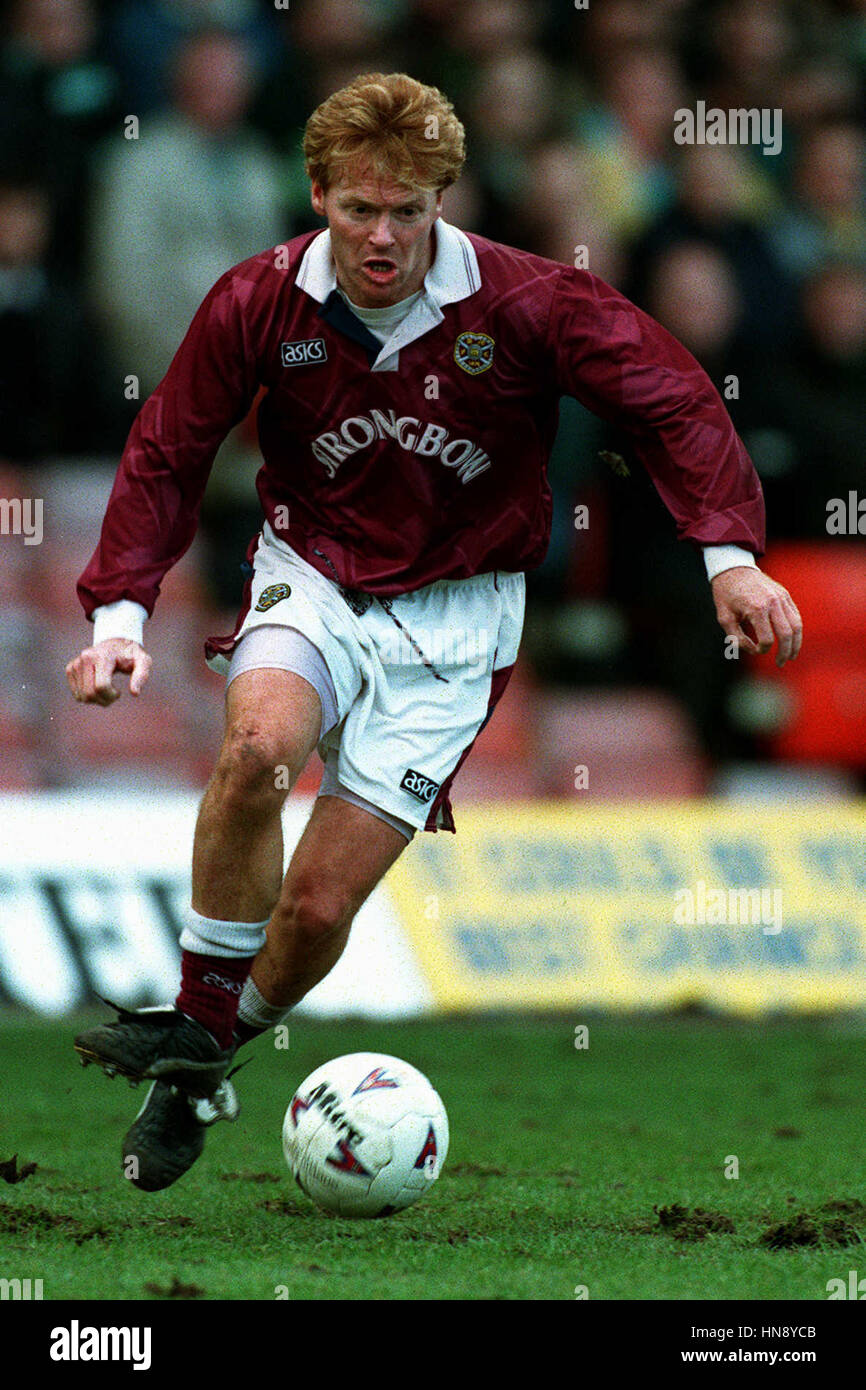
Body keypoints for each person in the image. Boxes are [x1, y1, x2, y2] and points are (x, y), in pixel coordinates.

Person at [66, 72, 802, 1191]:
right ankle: (197, 1023)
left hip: (455, 625)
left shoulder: (528, 301)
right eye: (359, 208)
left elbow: (670, 396)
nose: (381, 234)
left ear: (439, 202)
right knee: (258, 748)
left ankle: (198, 1053)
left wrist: (728, 554)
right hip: (308, 575)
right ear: (315, 194)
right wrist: (122, 612)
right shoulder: (256, 300)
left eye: (407, 210)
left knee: (315, 908)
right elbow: (169, 446)